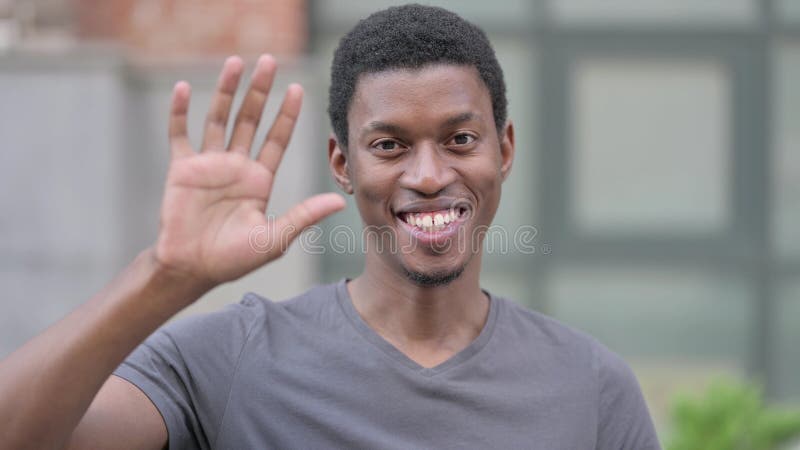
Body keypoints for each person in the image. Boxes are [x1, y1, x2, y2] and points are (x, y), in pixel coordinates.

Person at [0, 4, 660, 449]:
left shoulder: (591, 387)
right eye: (390, 145)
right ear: (342, 164)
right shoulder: (231, 359)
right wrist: (165, 277)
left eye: (460, 139)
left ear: (504, 151)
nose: (429, 174)